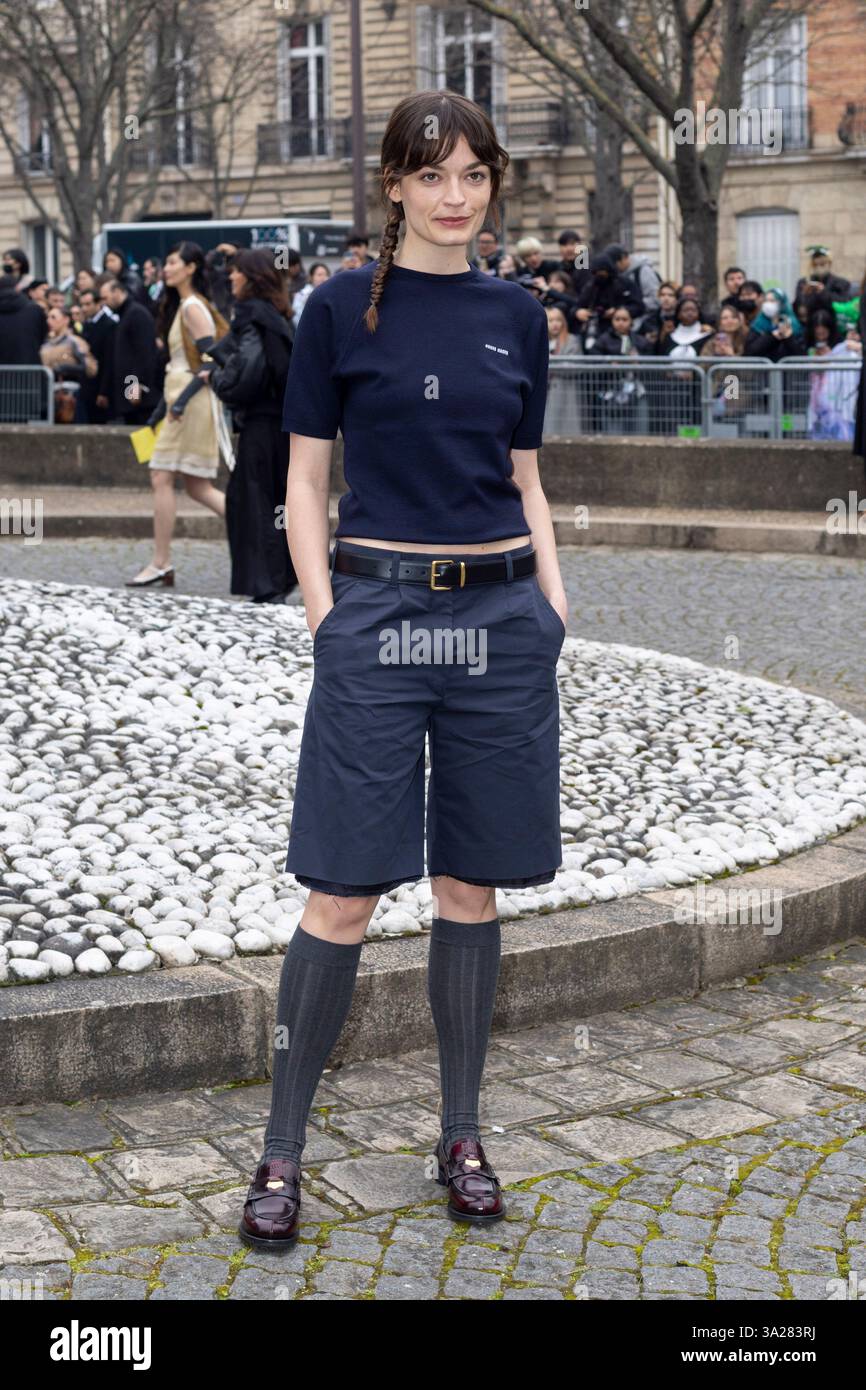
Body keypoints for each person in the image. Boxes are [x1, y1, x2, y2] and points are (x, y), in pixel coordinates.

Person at [239, 88, 567, 1250]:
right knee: (341, 889)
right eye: (430, 174)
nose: (453, 195)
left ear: (491, 184)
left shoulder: (516, 314)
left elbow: (525, 477)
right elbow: (303, 482)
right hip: (375, 618)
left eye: (472, 174)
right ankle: (282, 1148)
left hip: (499, 621)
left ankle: (461, 1135)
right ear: (393, 185)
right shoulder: (336, 309)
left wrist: (553, 603)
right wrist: (326, 619)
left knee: (469, 887)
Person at [126, 241, 227, 587]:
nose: (165, 269)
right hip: (183, 399)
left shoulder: (193, 307)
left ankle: (160, 562)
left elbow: (210, 362)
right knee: (198, 486)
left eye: (172, 262)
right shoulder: (187, 305)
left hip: (190, 401)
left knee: (161, 475)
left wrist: (180, 403)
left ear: (191, 268)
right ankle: (257, 534)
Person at [203, 248, 298, 603]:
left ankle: (267, 582)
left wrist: (217, 379)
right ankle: (281, 576)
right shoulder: (275, 313)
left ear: (252, 277)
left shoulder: (253, 313)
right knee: (275, 501)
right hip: (280, 423)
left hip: (261, 423)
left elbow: (248, 373)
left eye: (237, 271)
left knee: (254, 502)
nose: (231, 276)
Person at [100, 276, 160, 425]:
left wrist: (137, 384)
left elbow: (144, 352)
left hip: (140, 395)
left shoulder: (136, 314)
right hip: (129, 392)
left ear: (117, 292)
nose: (104, 303)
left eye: (105, 298)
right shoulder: (125, 315)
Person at [39, 304, 98, 422]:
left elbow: (91, 368)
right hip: (49, 394)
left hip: (71, 394)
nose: (48, 321)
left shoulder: (74, 341)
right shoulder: (45, 343)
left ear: (66, 320)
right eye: (48, 317)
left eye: (53, 317)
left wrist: (68, 368)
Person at [575, 253, 644, 350]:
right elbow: (578, 305)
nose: (600, 277)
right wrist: (578, 312)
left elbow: (639, 306)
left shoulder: (624, 284)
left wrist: (618, 311)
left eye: (602, 274)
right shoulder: (592, 287)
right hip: (596, 330)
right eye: (597, 274)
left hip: (622, 332)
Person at [77, 286, 116, 423]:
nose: (84, 308)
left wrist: (103, 391)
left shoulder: (108, 325)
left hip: (100, 387)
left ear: (98, 303)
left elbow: (109, 361)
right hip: (88, 386)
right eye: (82, 305)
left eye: (88, 304)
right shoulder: (87, 324)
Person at [544, 303, 583, 436]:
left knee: (567, 429)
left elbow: (575, 366)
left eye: (558, 320)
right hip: (545, 392)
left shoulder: (572, 340)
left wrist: (551, 362)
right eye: (550, 320)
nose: (555, 324)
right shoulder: (540, 341)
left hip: (565, 391)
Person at [603, 243, 661, 327]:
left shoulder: (644, 271)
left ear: (623, 258)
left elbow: (655, 299)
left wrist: (631, 307)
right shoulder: (617, 275)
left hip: (644, 322)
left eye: (614, 264)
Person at [0, 272, 48, 364]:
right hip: (29, 367)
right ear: (17, 288)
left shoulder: (34, 310)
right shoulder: (35, 310)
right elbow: (43, 336)